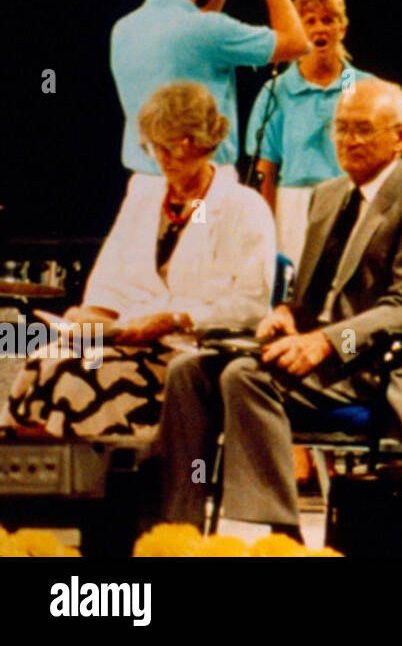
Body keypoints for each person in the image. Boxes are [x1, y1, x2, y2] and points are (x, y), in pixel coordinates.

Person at [158, 79, 402, 540]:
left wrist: (328, 342)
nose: (348, 140)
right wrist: (287, 314)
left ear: (401, 137)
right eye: (340, 129)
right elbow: (311, 297)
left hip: (380, 361)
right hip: (317, 361)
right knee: (188, 371)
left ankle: (282, 536)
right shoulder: (328, 195)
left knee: (246, 376)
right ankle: (179, 531)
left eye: (362, 129)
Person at [6, 81, 274, 438]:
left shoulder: (243, 206)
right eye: (153, 147)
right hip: (127, 341)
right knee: (44, 362)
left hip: (190, 353)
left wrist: (176, 320)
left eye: (172, 147)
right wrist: (91, 316)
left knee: (79, 378)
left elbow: (252, 304)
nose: (162, 157)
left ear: (204, 143)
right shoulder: (143, 194)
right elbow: (110, 279)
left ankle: (113, 471)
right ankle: (32, 469)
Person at [111, 0, 309, 175]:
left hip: (146, 186)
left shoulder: (124, 29)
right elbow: (297, 43)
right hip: (202, 183)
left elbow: (193, 40)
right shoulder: (210, 31)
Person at [246, 0, 373, 266]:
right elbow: (265, 169)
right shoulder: (277, 91)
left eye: (328, 20)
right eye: (310, 21)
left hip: (349, 199)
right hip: (293, 206)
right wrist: (268, 230)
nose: (320, 29)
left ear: (342, 28)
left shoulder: (362, 88)